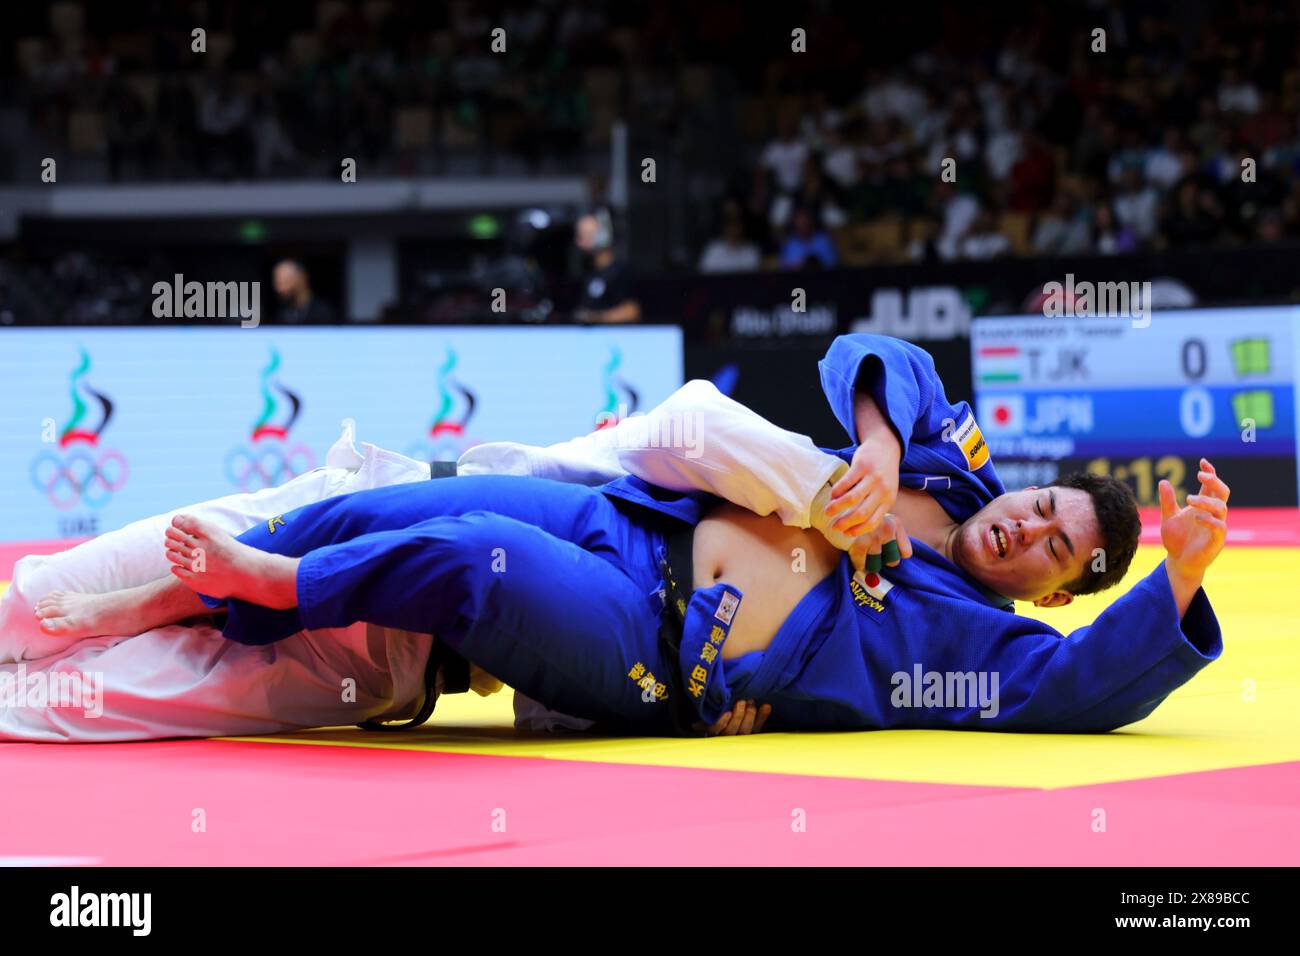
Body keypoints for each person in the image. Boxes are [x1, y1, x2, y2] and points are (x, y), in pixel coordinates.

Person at [16, 335, 1228, 739]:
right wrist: (867, 446)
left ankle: (276, 582)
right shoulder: (947, 470)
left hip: (653, 639)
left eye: (1056, 546)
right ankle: (265, 572)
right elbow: (889, 362)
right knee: (404, 509)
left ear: (1062, 586)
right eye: (1044, 504)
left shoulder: (985, 645)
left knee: (474, 557)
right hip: (633, 519)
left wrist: (1174, 575)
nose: (1027, 526)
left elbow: (1071, 688)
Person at [572, 210, 641, 324]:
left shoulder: (619, 272)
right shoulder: (590, 271)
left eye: (585, 236)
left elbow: (632, 311)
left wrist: (597, 318)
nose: (579, 242)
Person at [272, 259, 336, 325]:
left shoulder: (323, 313)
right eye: (277, 283)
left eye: (285, 281)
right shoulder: (280, 314)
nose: (279, 289)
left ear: (301, 279)